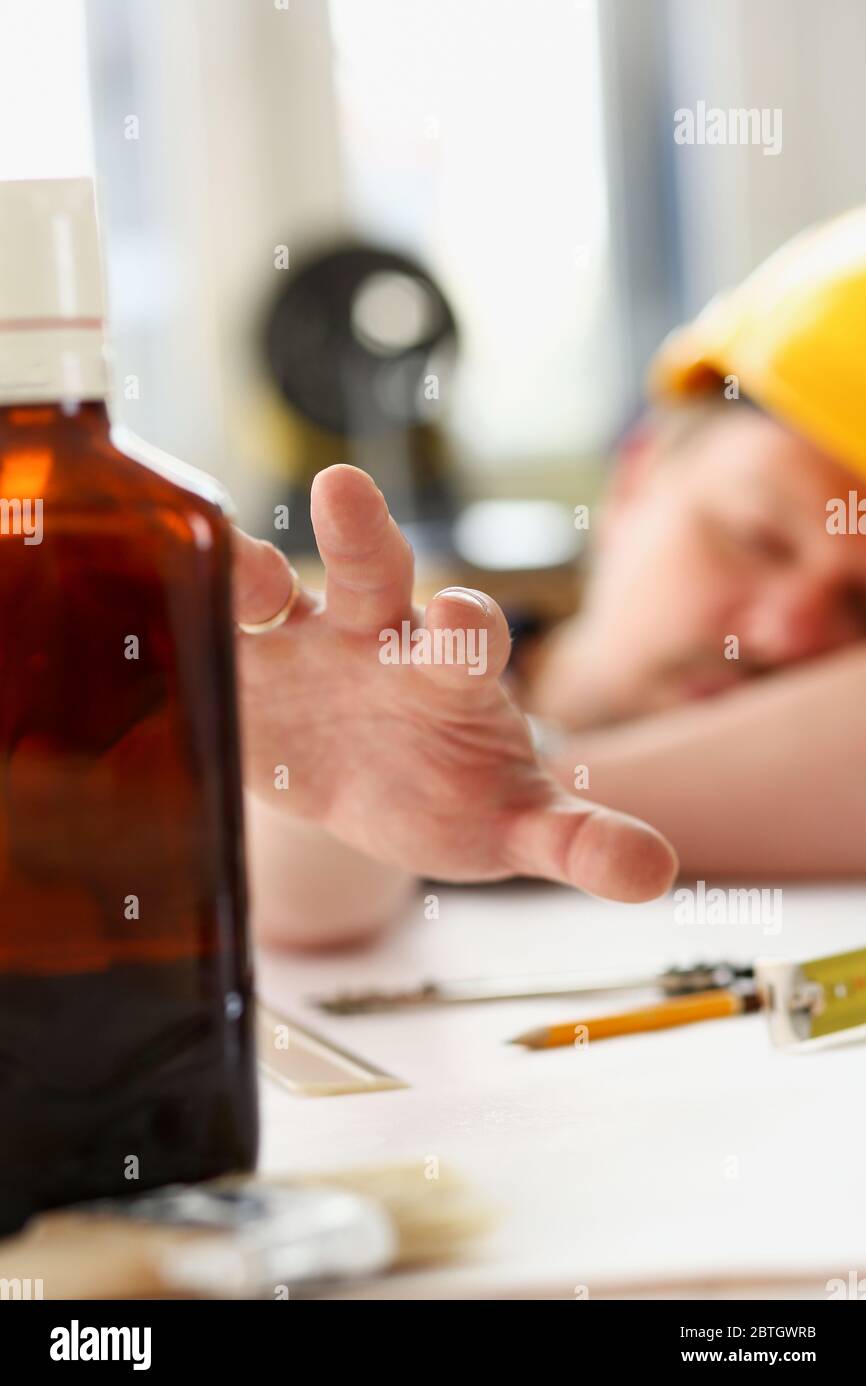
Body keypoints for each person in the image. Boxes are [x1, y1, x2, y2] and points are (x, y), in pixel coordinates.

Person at [236, 207, 866, 949]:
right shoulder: (433, 662)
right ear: (635, 480)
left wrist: (510, 793)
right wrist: (372, 806)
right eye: (755, 538)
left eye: (861, 603)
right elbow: (298, 900)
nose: (783, 629)